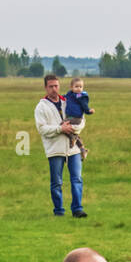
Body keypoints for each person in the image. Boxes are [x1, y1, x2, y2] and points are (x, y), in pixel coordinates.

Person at [34, 72, 87, 218]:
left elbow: (81, 119)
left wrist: (73, 129)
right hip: (55, 149)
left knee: (77, 178)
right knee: (57, 182)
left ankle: (77, 209)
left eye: (56, 86)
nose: (54, 89)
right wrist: (60, 129)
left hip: (73, 148)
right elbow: (42, 129)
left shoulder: (68, 101)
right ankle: (59, 211)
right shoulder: (41, 107)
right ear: (45, 88)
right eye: (51, 86)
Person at [64, 77, 93, 160]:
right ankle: (83, 149)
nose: (79, 89)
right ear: (71, 87)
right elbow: (65, 97)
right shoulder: (70, 94)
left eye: (81, 87)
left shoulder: (81, 96)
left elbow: (85, 106)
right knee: (75, 134)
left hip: (76, 118)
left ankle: (72, 138)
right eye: (76, 86)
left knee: (61, 126)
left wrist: (88, 111)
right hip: (71, 117)